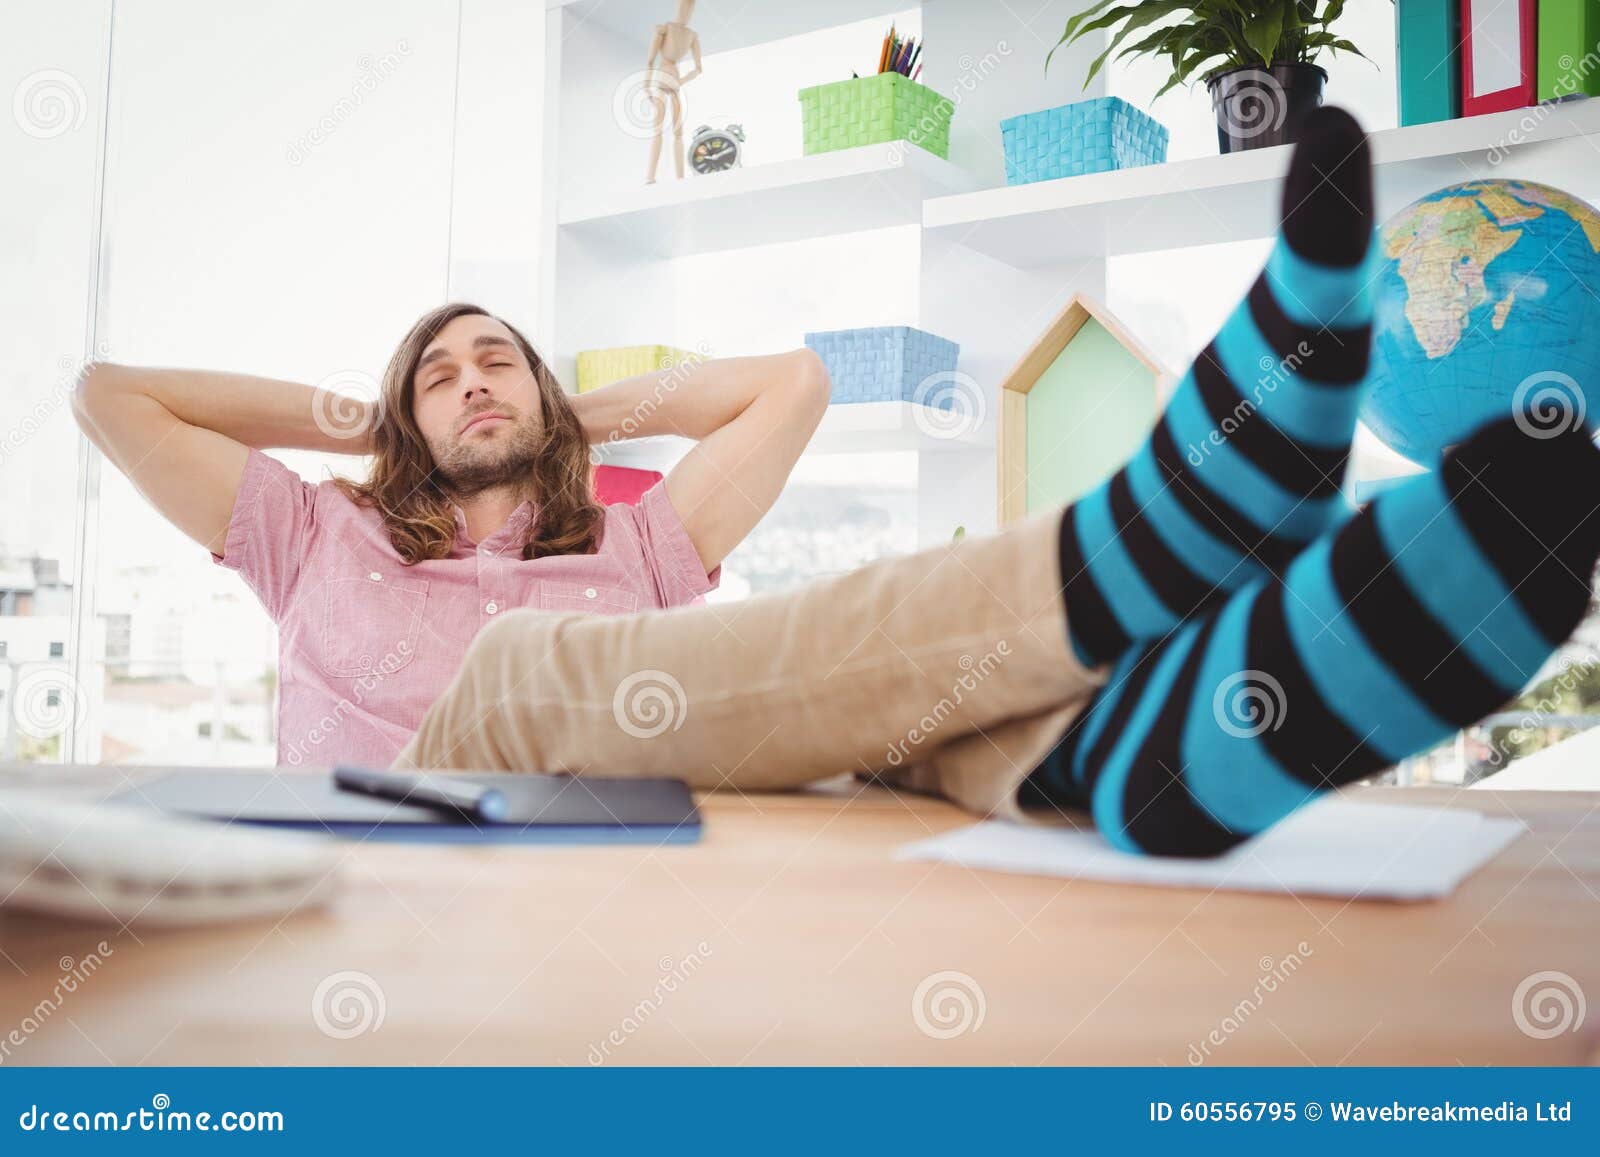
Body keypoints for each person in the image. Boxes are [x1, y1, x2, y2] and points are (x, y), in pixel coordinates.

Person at [74, 108, 1600, 857]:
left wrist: (565, 420)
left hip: (651, 850)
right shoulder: (313, 536)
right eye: (441, 369)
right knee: (545, 669)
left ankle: (1146, 760)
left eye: (500, 359)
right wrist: (377, 434)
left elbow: (791, 380)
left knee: (903, 741)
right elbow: (111, 393)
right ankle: (1146, 537)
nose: (473, 375)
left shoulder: (634, 530)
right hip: (410, 843)